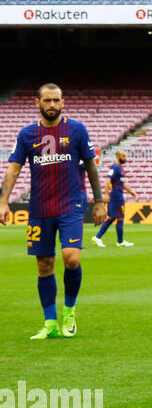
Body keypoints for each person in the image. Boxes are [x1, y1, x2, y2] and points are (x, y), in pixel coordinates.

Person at [0, 83, 108, 339]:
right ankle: (50, 323)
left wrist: (100, 201)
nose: (51, 105)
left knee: (72, 258)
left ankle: (69, 311)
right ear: (37, 103)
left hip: (71, 204)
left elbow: (92, 166)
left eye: (56, 100)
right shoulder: (26, 134)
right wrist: (3, 201)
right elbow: (14, 168)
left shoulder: (77, 130)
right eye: (46, 101)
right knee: (44, 265)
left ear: (63, 102)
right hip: (39, 207)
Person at [93, 150, 137, 247]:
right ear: (118, 156)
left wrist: (130, 191)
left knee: (112, 218)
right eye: (123, 156)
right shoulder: (115, 167)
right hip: (116, 197)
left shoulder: (120, 168)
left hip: (118, 196)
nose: (125, 158)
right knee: (120, 217)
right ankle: (120, 241)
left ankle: (98, 237)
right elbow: (107, 181)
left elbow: (122, 184)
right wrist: (106, 194)